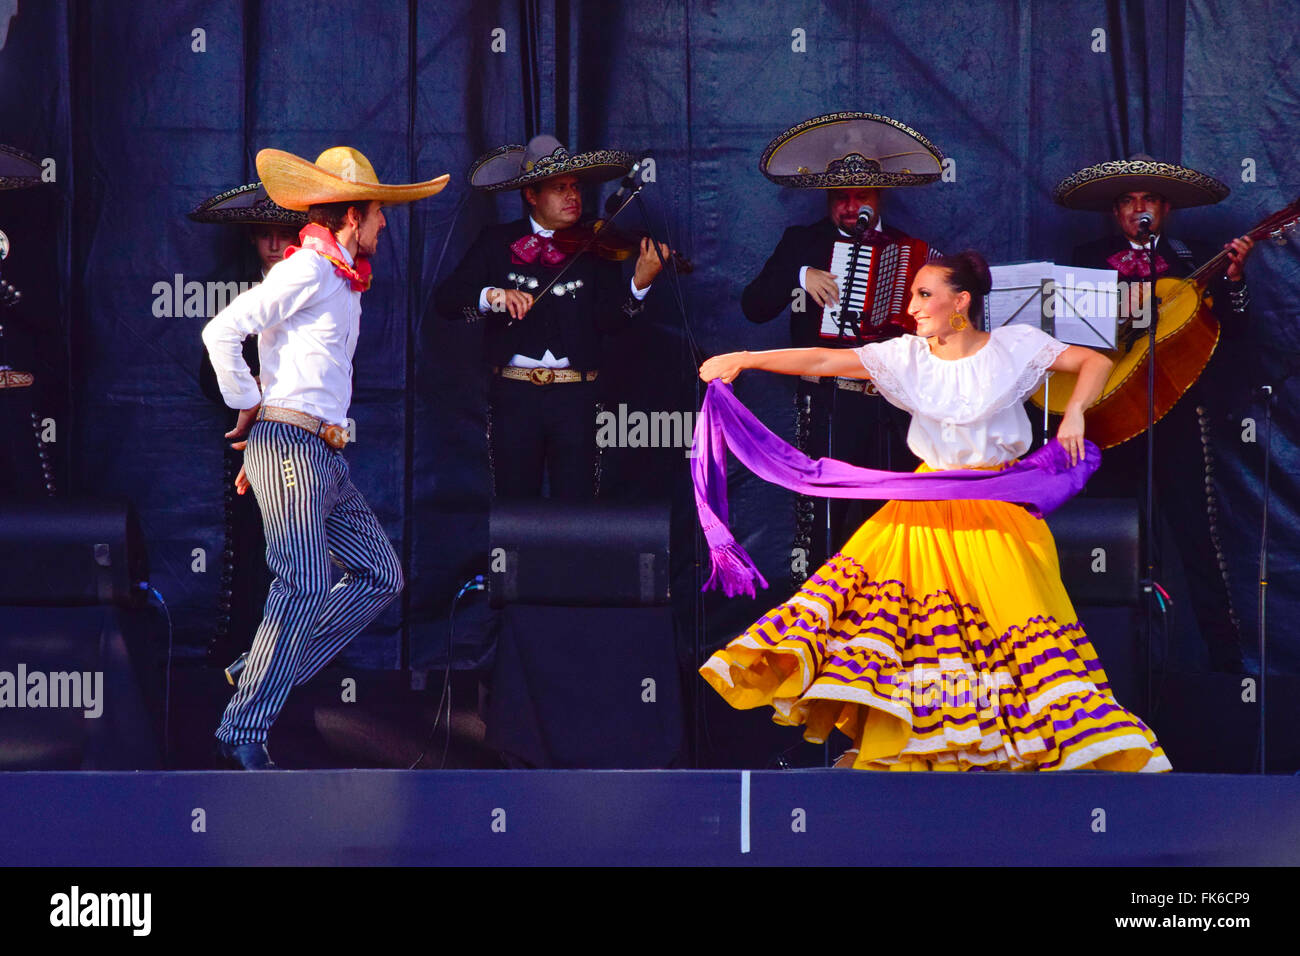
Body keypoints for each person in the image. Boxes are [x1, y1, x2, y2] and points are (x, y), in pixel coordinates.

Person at [697, 251, 1170, 771]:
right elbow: (823, 360)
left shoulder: (1014, 347)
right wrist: (746, 356)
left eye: (925, 295)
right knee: (916, 638)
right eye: (914, 294)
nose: (913, 306)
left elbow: (1095, 361)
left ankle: (1020, 758)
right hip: (922, 512)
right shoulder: (909, 355)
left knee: (1006, 635)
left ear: (960, 302)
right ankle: (927, 754)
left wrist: (1075, 412)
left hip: (997, 507)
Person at [201, 146, 448, 769]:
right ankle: (242, 729)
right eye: (377, 213)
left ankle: (258, 669)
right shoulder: (308, 268)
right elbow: (221, 330)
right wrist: (249, 405)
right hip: (291, 443)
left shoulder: (341, 276)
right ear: (351, 215)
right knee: (304, 581)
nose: (385, 224)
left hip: (322, 451)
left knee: (379, 575)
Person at [1054, 155, 1254, 672]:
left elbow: (1234, 331)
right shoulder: (1087, 257)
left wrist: (1233, 280)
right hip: (1111, 414)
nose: (1138, 210)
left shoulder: (1197, 258)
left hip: (1177, 411)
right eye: (1127, 202)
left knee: (1196, 530)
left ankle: (1224, 663)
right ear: (1116, 213)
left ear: (1164, 210)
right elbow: (1070, 339)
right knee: (1104, 528)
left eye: (1148, 201)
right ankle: (1092, 661)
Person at [742, 112, 943, 583]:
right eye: (842, 198)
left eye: (862, 197)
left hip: (891, 406)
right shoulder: (801, 243)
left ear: (879, 198)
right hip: (828, 402)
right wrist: (798, 275)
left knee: (888, 513)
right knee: (825, 513)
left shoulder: (906, 249)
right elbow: (753, 307)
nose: (852, 207)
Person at [435, 135, 672, 498]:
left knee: (577, 509)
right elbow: (447, 301)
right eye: (559, 188)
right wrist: (492, 296)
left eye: (575, 187)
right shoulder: (496, 242)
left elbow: (611, 322)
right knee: (514, 506)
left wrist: (639, 283)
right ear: (531, 195)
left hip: (576, 397)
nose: (572, 196)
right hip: (513, 396)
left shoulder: (596, 244)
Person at [189, 182, 306, 672]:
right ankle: (242, 645)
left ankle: (290, 653)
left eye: (285, 234)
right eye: (266, 236)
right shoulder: (239, 298)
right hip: (251, 442)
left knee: (300, 553)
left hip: (305, 442)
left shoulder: (318, 287)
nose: (276, 247)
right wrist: (247, 390)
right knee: (249, 546)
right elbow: (207, 374)